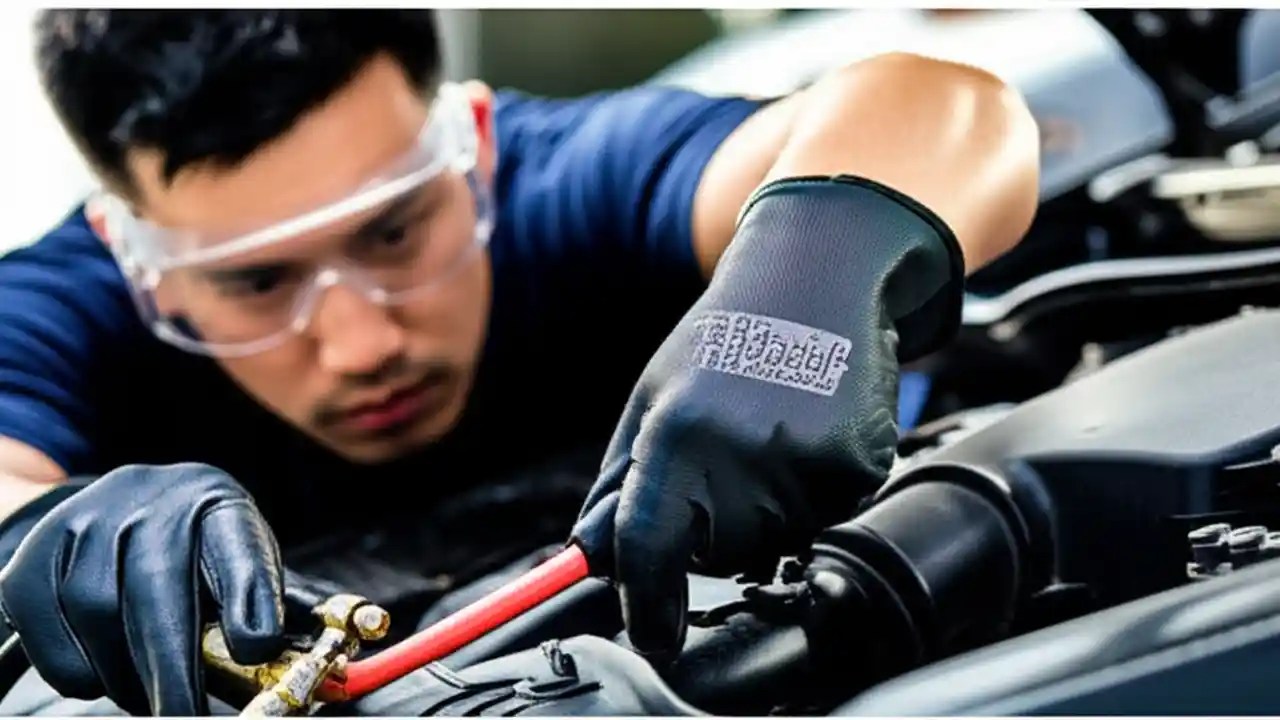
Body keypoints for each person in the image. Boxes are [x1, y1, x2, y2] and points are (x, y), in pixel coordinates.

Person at [0, 8, 1038, 717]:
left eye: (396, 232)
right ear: (133, 258)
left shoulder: (573, 181)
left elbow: (943, 107)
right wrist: (41, 524)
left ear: (477, 143)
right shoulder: (59, 307)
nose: (361, 346)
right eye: (254, 283)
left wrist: (793, 307)